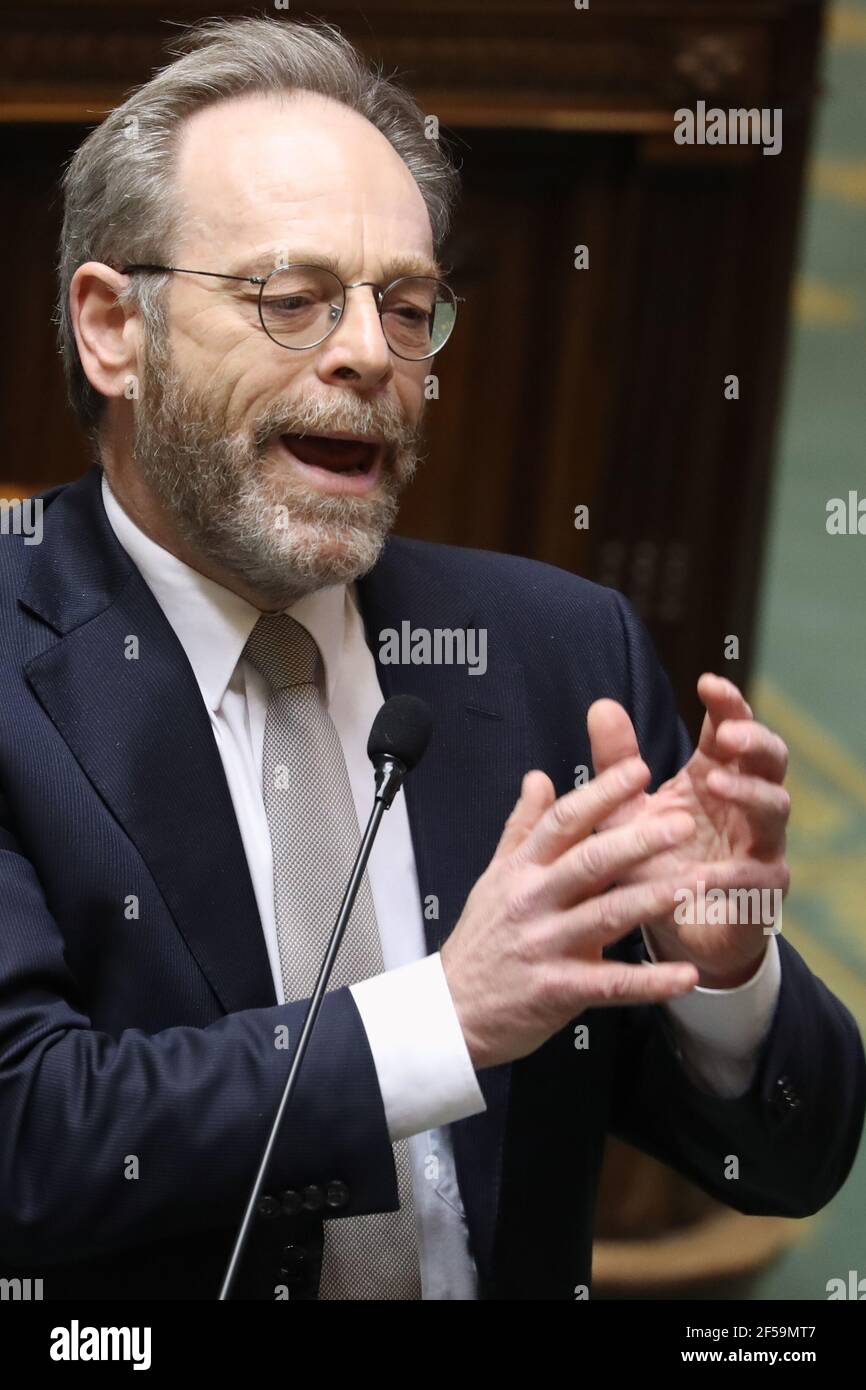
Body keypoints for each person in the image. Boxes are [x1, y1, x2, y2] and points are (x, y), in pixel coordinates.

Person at [0, 16, 862, 1301]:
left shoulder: (556, 652)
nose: (368, 356)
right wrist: (436, 1022)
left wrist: (721, 972)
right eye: (292, 301)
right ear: (114, 328)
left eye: (406, 309)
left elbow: (786, 1165)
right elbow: (27, 1142)